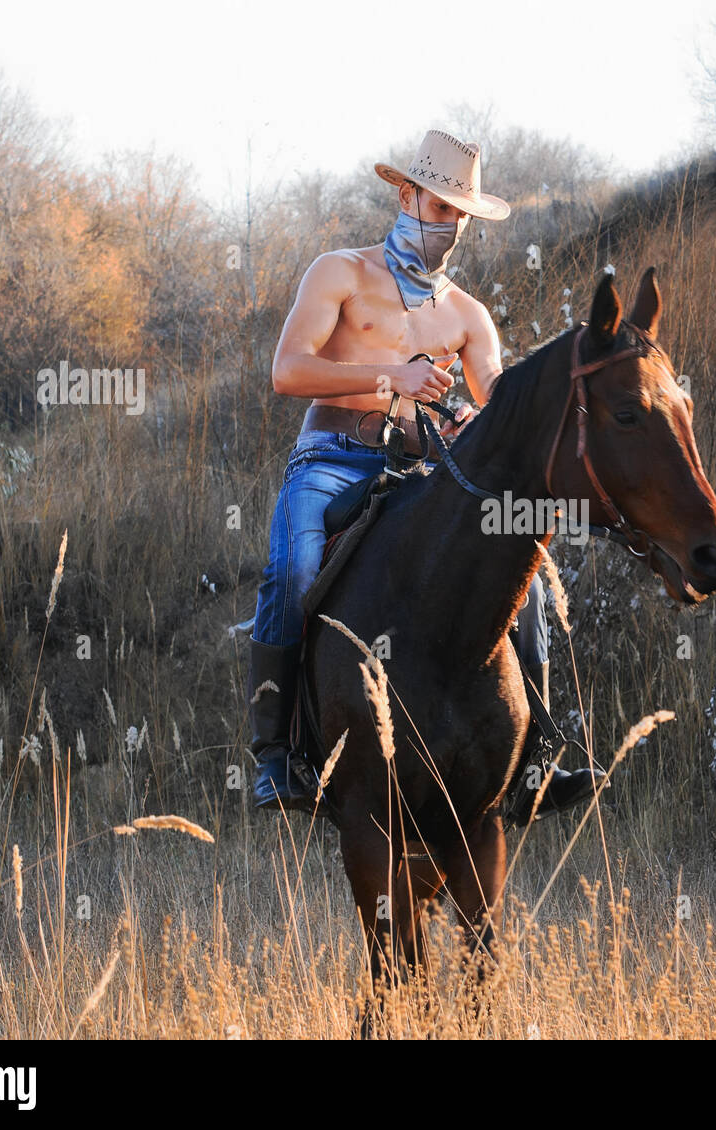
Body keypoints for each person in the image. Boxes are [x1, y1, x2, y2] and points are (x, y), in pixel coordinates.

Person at [246, 128, 600, 823]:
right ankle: (274, 756)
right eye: (439, 206)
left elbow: (497, 401)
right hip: (331, 457)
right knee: (291, 573)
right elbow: (287, 371)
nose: (450, 224)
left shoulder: (468, 315)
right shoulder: (339, 271)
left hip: (423, 471)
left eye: (460, 214)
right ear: (405, 194)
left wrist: (478, 420)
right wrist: (391, 375)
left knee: (514, 575)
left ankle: (533, 760)